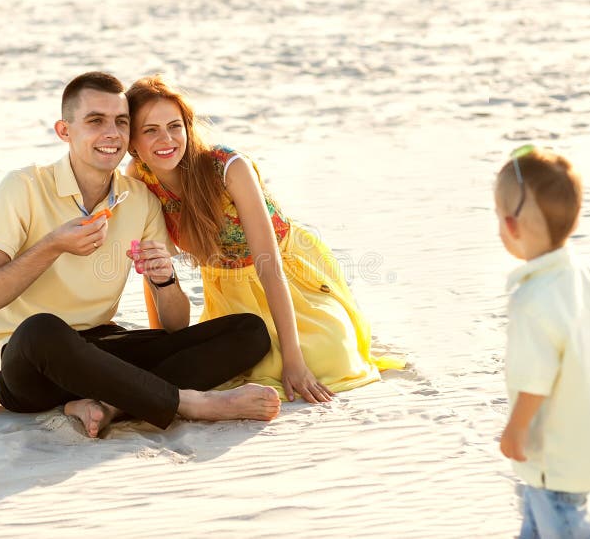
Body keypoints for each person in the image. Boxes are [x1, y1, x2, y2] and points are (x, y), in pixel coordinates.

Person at [0, 71, 281, 438]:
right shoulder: (22, 187)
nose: (111, 133)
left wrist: (165, 280)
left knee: (248, 331)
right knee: (41, 329)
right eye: (95, 121)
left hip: (101, 347)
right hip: (25, 364)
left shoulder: (139, 200)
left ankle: (109, 403)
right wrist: (52, 245)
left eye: (121, 122)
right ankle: (187, 403)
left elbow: (175, 327)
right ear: (64, 131)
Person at [124, 75, 404, 404]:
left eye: (174, 126)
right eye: (150, 130)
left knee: (328, 357)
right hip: (227, 292)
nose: (166, 138)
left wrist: (295, 360)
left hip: (289, 277)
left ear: (187, 127)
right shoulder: (138, 179)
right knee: (241, 363)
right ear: (132, 144)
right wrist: (162, 341)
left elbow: (269, 267)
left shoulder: (228, 168)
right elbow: (153, 267)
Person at [494, 144, 590, 537]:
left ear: (510, 226)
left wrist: (515, 429)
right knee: (537, 520)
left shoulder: (533, 299)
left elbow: (535, 379)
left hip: (555, 452)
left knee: (561, 517)